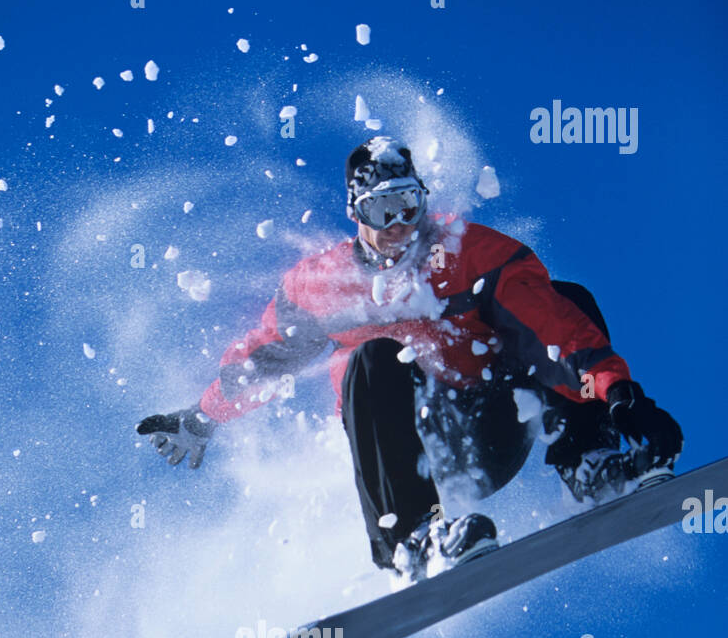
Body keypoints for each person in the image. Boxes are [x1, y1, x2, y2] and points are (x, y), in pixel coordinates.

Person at [137, 136, 683, 575]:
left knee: (565, 297)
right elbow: (268, 358)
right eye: (381, 211)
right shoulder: (323, 287)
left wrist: (615, 392)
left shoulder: (468, 254)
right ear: (357, 213)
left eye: (407, 205)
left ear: (423, 199)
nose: (398, 226)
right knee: (374, 356)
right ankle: (414, 536)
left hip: (490, 430)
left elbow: (550, 328)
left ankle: (590, 461)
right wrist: (203, 416)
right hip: (409, 453)